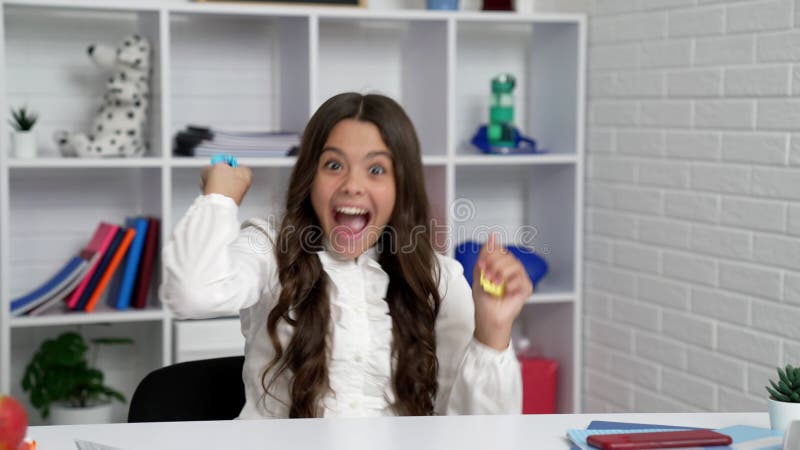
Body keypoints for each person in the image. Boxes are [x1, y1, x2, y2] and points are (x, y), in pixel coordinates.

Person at [161, 92, 533, 419]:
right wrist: (221, 198)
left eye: (376, 169)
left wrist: (493, 331)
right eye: (334, 165)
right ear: (310, 178)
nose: (353, 186)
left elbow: (479, 432)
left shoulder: (439, 278)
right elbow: (192, 293)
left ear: (401, 187)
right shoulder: (270, 249)